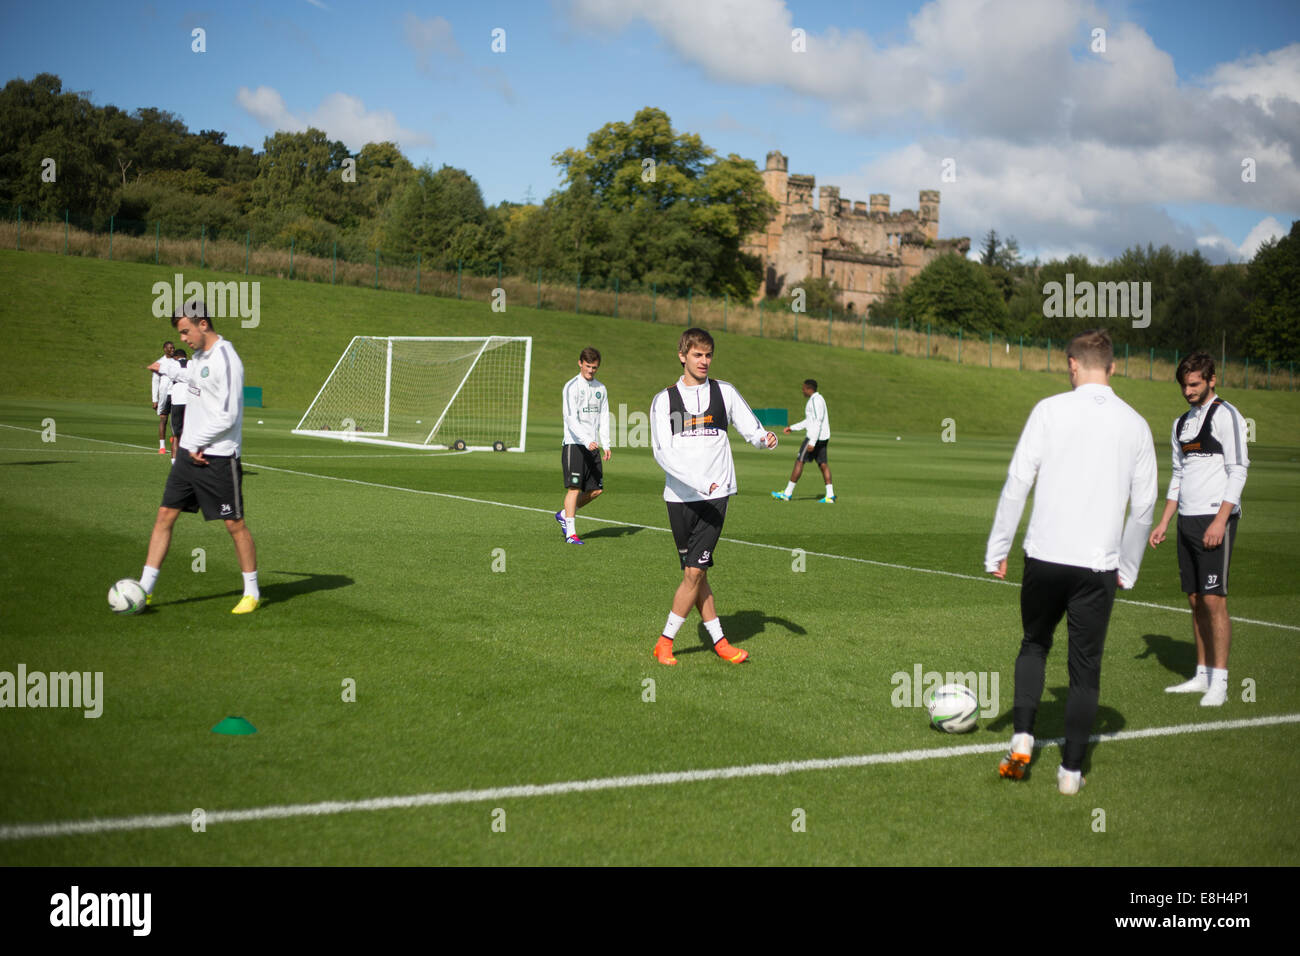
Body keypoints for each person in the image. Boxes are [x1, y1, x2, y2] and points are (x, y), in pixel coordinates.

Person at [984, 329, 1157, 794]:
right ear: (1114, 367)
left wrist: (997, 548)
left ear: (1072, 365)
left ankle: (1022, 738)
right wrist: (1130, 565)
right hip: (1098, 564)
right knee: (1085, 668)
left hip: (1044, 556)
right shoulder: (1136, 424)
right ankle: (1071, 773)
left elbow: (1017, 481)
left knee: (1035, 643)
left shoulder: (1049, 410)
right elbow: (1144, 506)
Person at [650, 328, 778, 665]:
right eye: (697, 355)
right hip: (679, 498)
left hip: (716, 496)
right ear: (682, 356)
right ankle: (720, 640)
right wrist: (695, 482)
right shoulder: (665, 400)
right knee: (697, 573)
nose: (704, 361)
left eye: (708, 355)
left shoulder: (725, 392)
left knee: (694, 571)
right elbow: (662, 452)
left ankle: (665, 641)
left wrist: (763, 438)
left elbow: (750, 427)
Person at [141, 303, 259, 614]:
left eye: (185, 331)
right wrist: (165, 367)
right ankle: (144, 589)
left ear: (203, 324)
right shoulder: (200, 357)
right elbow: (192, 375)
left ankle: (252, 592)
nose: (183, 338)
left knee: (234, 524)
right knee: (165, 517)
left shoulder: (226, 359)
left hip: (218, 457)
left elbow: (229, 415)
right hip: (186, 457)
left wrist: (201, 443)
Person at [1147, 352, 1249, 707]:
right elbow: (1178, 475)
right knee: (1193, 600)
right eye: (1184, 385)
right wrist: (1164, 521)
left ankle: (1219, 682)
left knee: (1213, 599)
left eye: (1194, 384)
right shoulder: (1181, 424)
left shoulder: (1226, 415)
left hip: (1214, 520)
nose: (1188, 391)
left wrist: (1221, 519)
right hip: (1187, 520)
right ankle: (1202, 675)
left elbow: (1238, 469)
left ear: (1211, 380)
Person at [554, 347, 611, 545]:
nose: (591, 371)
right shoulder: (571, 387)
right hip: (575, 444)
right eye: (588, 366)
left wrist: (606, 443)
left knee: (596, 490)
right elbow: (570, 419)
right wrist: (586, 440)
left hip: (593, 446)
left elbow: (604, 417)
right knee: (574, 488)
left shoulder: (600, 389)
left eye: (594, 367)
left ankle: (564, 514)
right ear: (580, 363)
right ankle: (571, 533)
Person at [773, 379, 833, 502]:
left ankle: (787, 493)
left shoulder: (816, 401)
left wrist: (812, 442)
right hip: (822, 437)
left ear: (809, 388)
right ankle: (830, 495)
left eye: (804, 388)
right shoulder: (816, 400)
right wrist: (793, 428)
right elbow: (809, 421)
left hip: (814, 437)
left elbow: (817, 421)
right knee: (823, 464)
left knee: (799, 462)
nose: (802, 391)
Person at [164, 348, 189, 464]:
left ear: (177, 357)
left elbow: (171, 376)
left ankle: (174, 461)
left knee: (176, 434)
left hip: (177, 400)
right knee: (190, 432)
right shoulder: (193, 363)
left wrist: (180, 377)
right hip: (191, 401)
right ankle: (188, 460)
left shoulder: (173, 364)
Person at [151, 340, 176, 454]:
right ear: (164, 349)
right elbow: (155, 382)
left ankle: (174, 439)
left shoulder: (177, 362)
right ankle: (162, 446)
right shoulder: (159, 363)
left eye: (173, 348)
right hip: (164, 395)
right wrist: (154, 399)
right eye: (170, 348)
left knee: (176, 419)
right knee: (163, 419)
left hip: (176, 394)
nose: (172, 350)